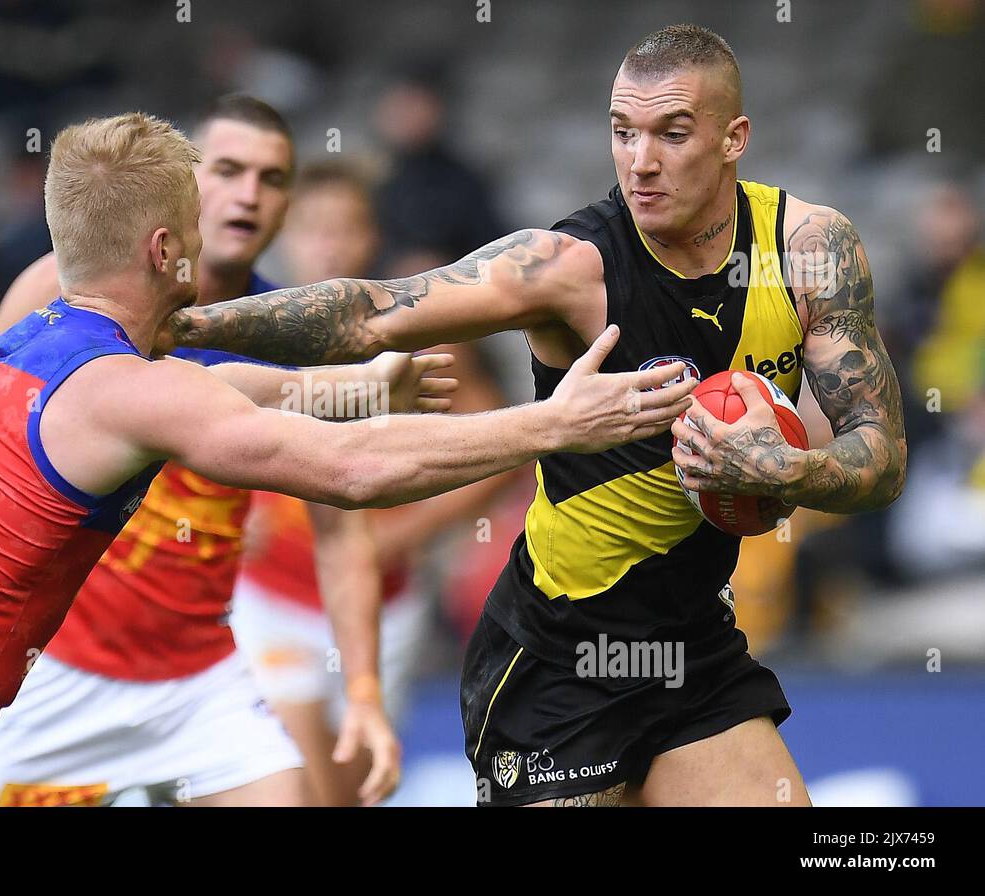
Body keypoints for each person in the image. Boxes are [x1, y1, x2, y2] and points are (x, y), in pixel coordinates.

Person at [0, 111, 692, 807]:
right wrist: (552, 425)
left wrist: (360, 388)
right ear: (164, 249)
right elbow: (351, 474)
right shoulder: (132, 389)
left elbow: (224, 392)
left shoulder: (24, 333)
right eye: (190, 233)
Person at [165, 24, 908, 807]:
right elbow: (375, 313)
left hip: (693, 655)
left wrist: (793, 472)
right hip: (556, 661)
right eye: (623, 133)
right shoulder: (568, 268)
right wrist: (184, 327)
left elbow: (883, 456)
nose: (640, 161)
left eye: (672, 133)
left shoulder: (810, 251)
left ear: (735, 138)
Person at [0, 97, 407, 807]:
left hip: (199, 679)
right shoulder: (63, 291)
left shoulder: (298, 344)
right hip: (50, 672)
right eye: (230, 170)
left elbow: (341, 529)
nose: (249, 195)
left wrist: (363, 693)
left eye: (272, 179)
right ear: (182, 185)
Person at [231, 161, 520, 806]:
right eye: (314, 230)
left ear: (370, 238)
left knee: (355, 790)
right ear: (287, 235)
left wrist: (401, 532)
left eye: (346, 229)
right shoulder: (252, 330)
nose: (329, 246)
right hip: (271, 600)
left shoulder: (410, 332)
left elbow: (505, 447)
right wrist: (225, 507)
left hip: (381, 605)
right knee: (293, 763)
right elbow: (188, 423)